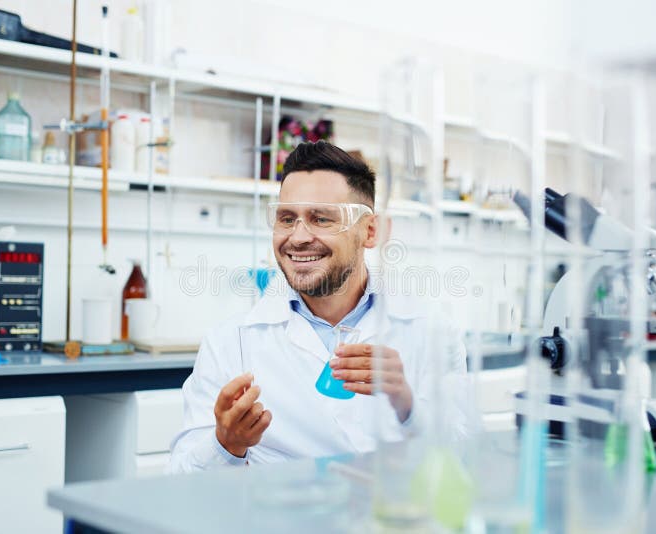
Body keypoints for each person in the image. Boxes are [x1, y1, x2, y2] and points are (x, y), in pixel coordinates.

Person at [169, 141, 469, 472]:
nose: (297, 237)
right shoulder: (230, 342)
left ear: (371, 231)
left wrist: (407, 404)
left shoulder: (431, 330)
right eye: (286, 218)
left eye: (321, 219)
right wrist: (226, 445)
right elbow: (181, 479)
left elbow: (462, 460)